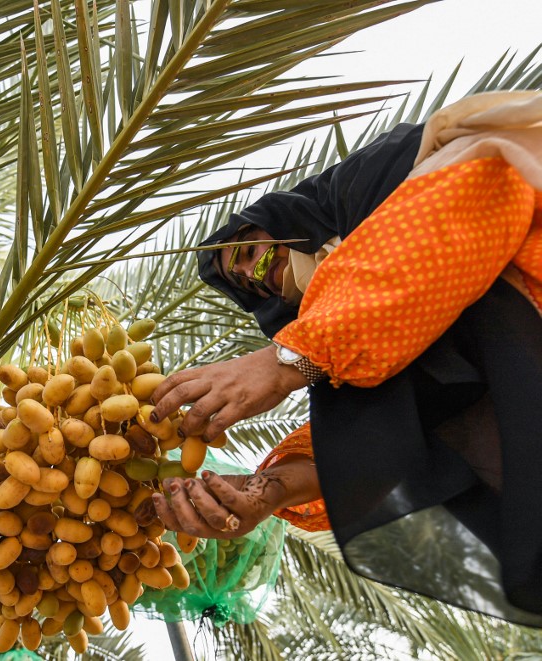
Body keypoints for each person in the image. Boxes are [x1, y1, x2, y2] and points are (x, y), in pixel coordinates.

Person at [151, 91, 542, 625]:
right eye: (241, 281)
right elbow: (367, 448)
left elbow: (462, 207)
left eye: (246, 251)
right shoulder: (356, 352)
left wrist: (286, 361)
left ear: (294, 219)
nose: (247, 273)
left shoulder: (442, 166)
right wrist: (266, 493)